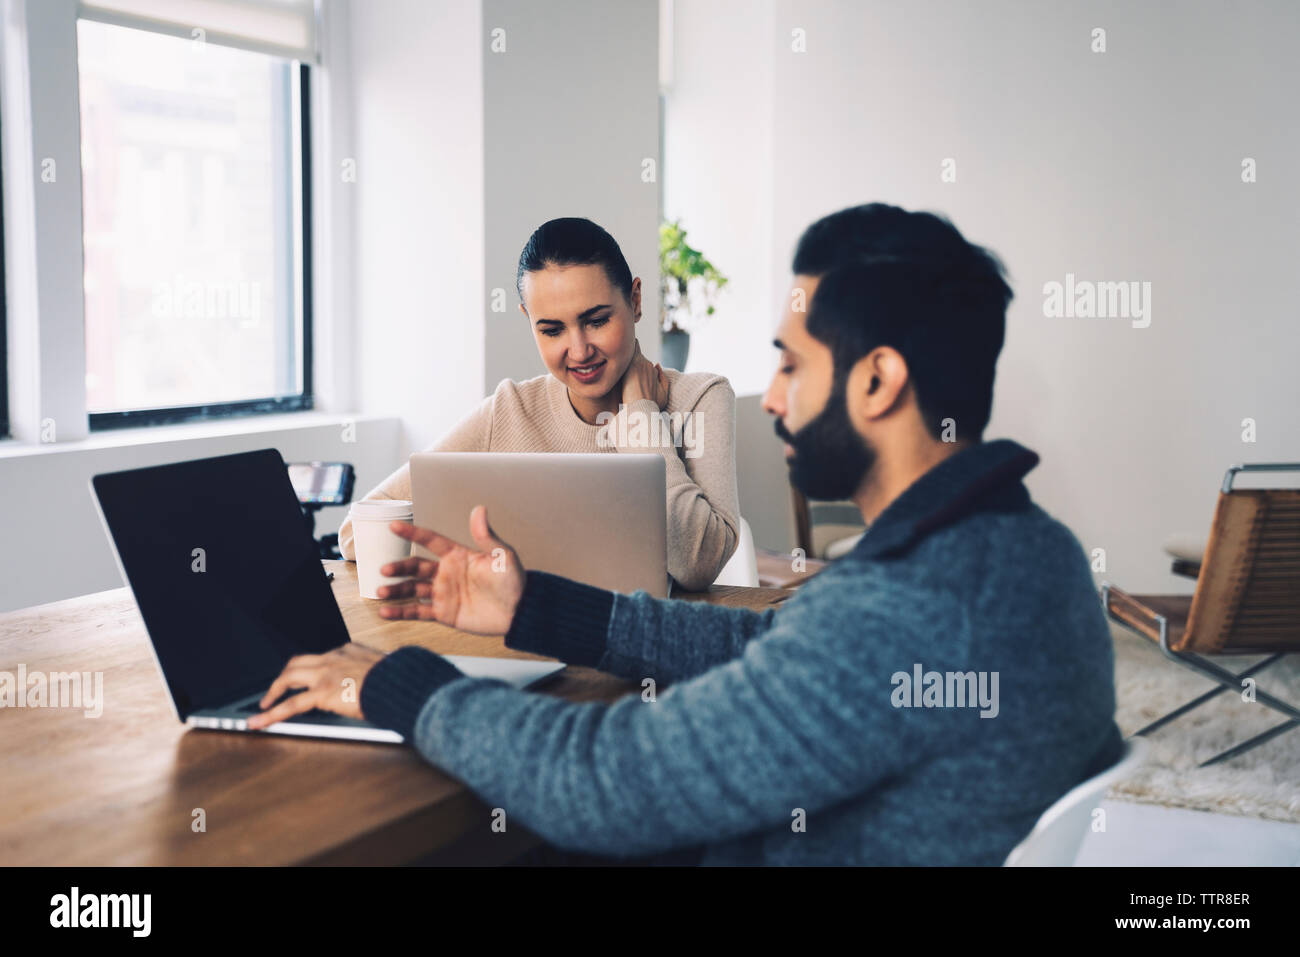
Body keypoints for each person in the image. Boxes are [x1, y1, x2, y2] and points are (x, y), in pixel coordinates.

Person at [251, 203, 1123, 866]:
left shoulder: (907, 606)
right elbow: (768, 639)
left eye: (789, 362)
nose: (773, 397)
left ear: (877, 380)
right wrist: (538, 607)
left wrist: (400, 682)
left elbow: (608, 781)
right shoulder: (1027, 548)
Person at [337, 217, 740, 591]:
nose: (579, 350)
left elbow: (697, 563)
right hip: (526, 639)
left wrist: (639, 415)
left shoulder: (701, 400)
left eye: (597, 320)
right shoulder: (511, 409)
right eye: (551, 330)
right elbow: (356, 532)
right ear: (529, 320)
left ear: (635, 301)